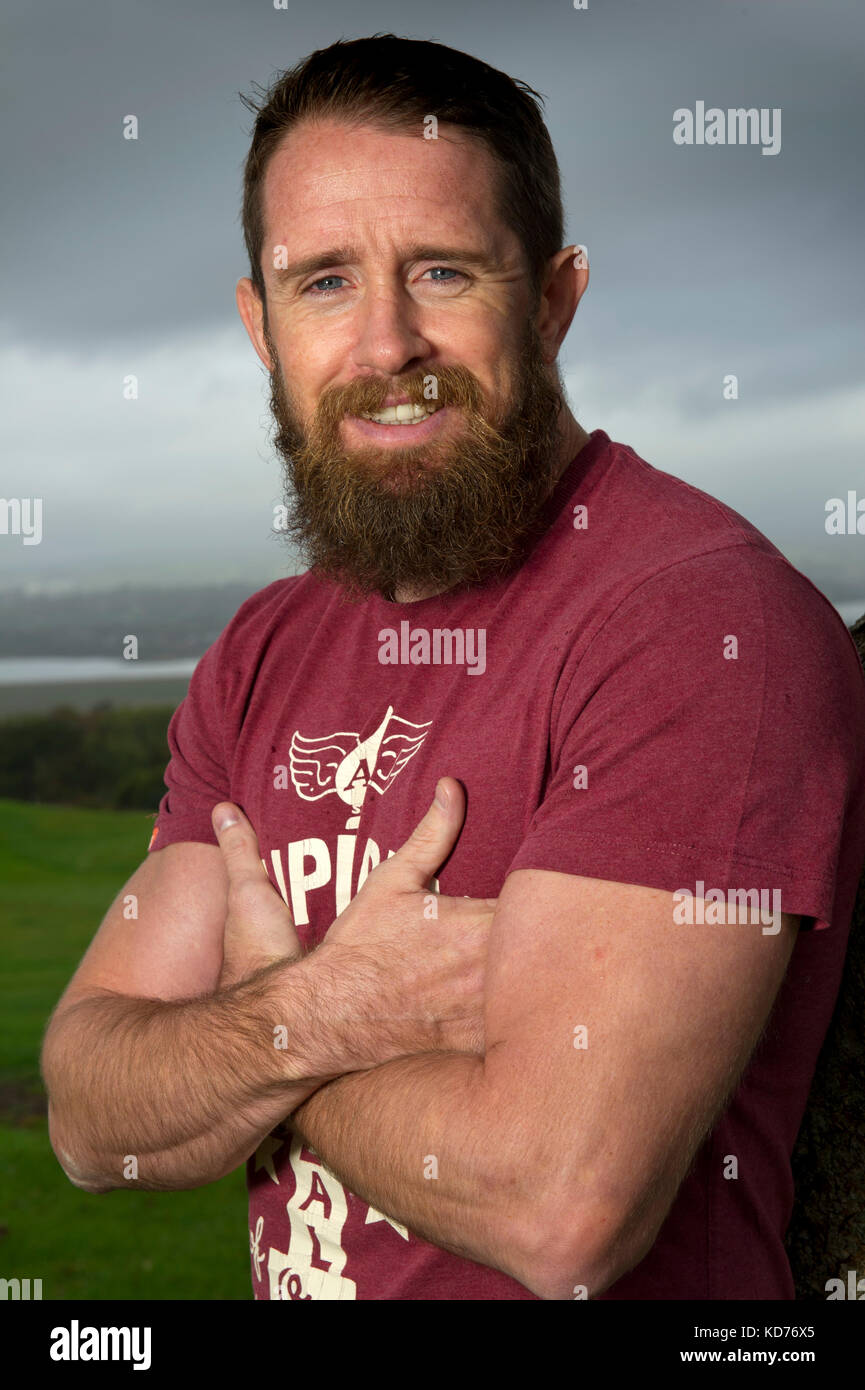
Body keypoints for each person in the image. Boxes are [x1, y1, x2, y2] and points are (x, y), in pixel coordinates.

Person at [42, 34, 865, 1301]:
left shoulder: (699, 624)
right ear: (260, 326)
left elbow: (560, 1207)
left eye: (441, 270)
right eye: (322, 281)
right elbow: (91, 1112)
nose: (384, 342)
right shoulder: (264, 648)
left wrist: (255, 1040)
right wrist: (324, 1013)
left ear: (551, 299)